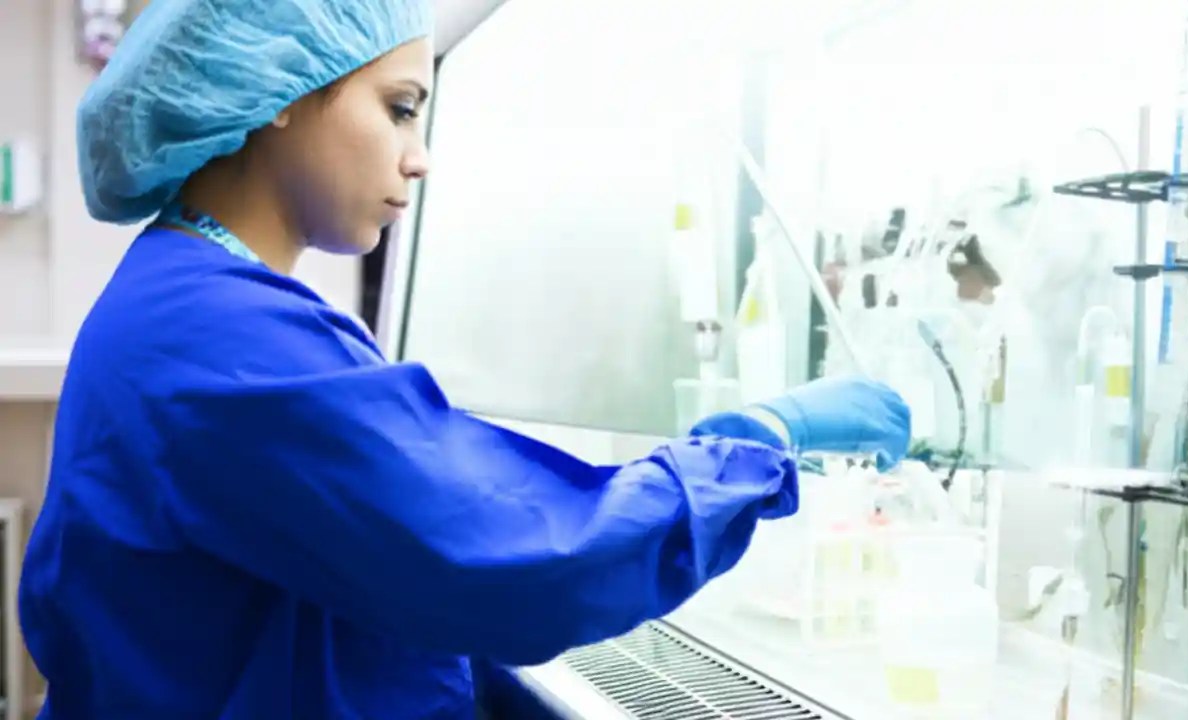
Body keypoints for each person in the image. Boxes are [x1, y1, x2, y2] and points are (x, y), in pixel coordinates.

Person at [18, 1, 911, 718]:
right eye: (400, 108)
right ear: (283, 89)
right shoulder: (221, 333)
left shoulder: (188, 290)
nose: (421, 158)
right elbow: (523, 562)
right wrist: (757, 444)